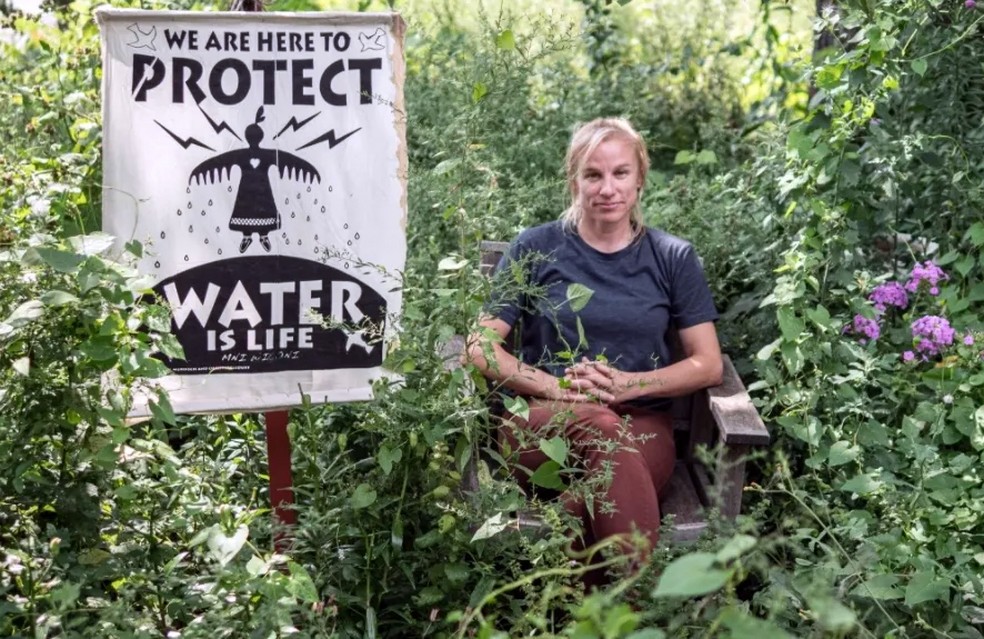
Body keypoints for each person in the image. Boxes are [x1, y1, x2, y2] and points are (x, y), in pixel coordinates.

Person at [464, 117, 723, 584]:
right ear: (574, 181)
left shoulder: (671, 257)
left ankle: (577, 602)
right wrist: (555, 388)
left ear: (640, 178)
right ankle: (631, 606)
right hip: (540, 425)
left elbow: (708, 363)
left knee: (604, 474)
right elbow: (480, 347)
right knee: (604, 430)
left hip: (642, 426)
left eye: (620, 173)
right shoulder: (536, 248)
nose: (607, 188)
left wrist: (630, 385)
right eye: (593, 175)